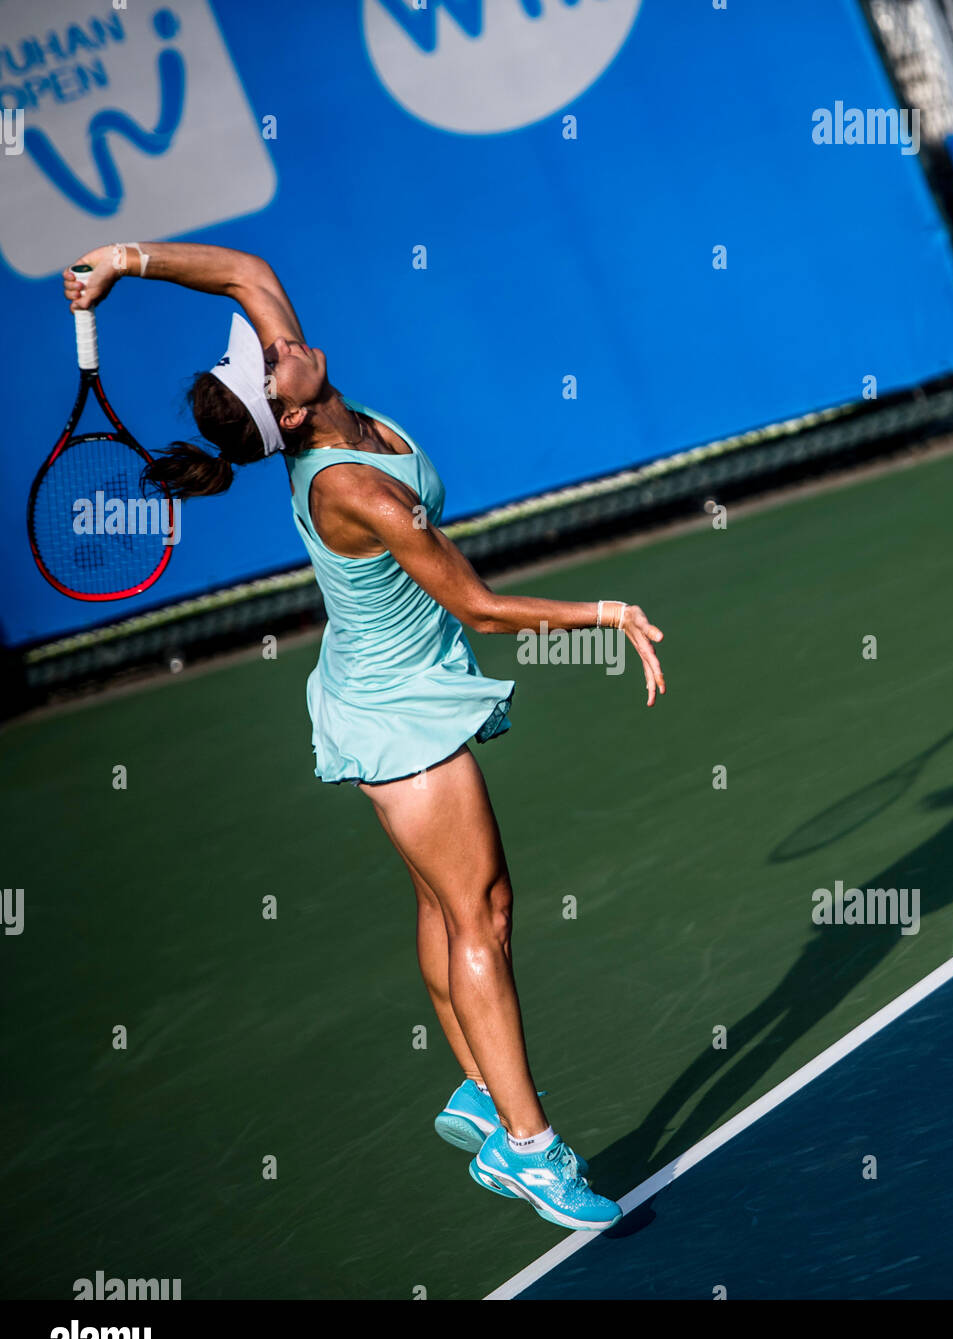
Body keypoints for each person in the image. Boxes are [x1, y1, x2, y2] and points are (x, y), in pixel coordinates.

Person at [63, 242, 666, 1231]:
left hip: (381, 687)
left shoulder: (301, 391)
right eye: (274, 358)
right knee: (485, 918)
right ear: (288, 412)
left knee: (452, 902)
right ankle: (531, 1149)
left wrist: (126, 262)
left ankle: (478, 1089)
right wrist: (608, 612)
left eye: (274, 344)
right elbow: (477, 606)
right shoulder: (354, 490)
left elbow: (245, 273)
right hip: (397, 719)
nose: (283, 340)